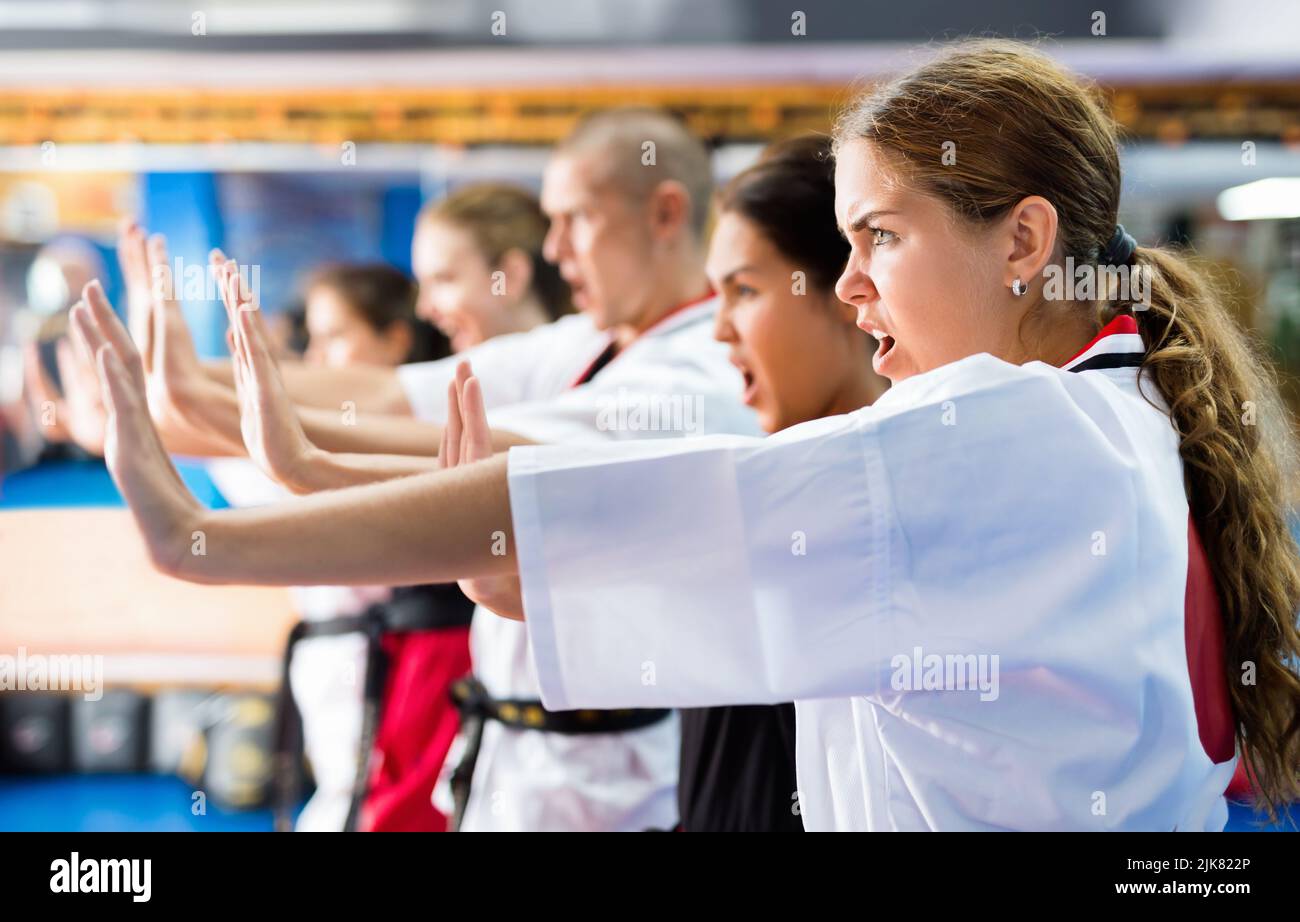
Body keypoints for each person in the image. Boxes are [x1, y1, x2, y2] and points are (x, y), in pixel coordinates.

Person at [76, 40, 1300, 830]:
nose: (851, 284)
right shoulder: (1102, 410)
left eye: (877, 237)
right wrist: (313, 471)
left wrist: (204, 538)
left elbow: (681, 495)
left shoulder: (1003, 433)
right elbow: (625, 503)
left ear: (1023, 244)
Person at [164, 109, 761, 831]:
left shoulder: (698, 375)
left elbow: (506, 459)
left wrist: (304, 460)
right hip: (508, 754)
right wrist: (186, 381)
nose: (554, 248)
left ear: (666, 212)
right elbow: (394, 396)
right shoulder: (590, 341)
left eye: (576, 219)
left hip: (606, 787)